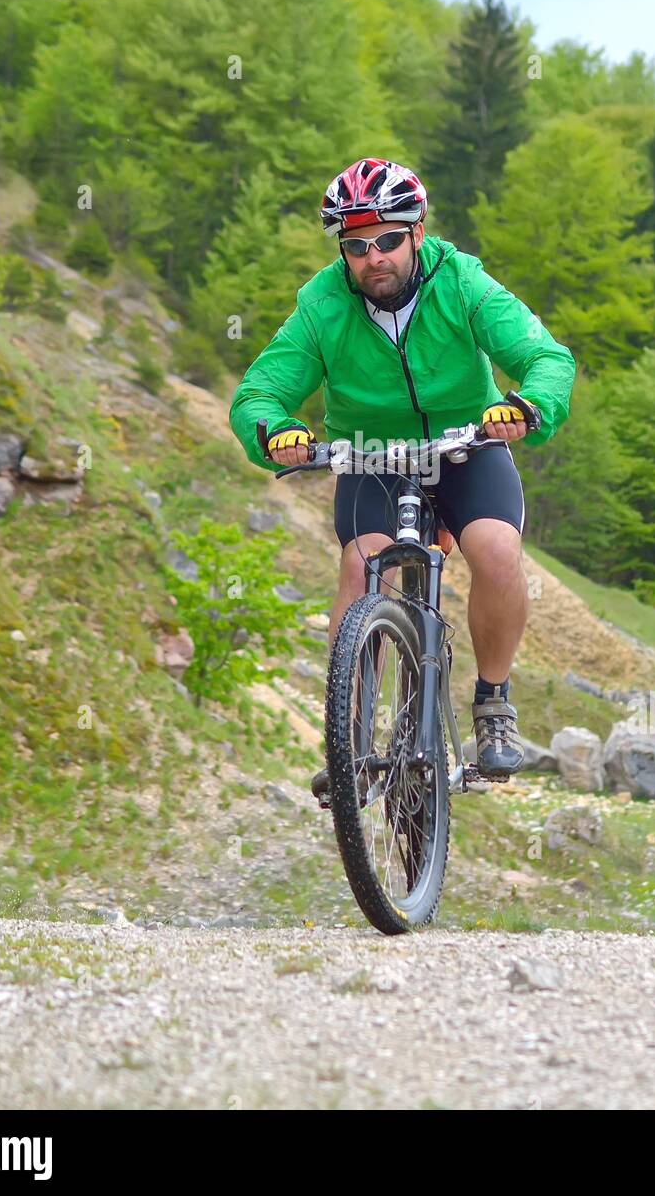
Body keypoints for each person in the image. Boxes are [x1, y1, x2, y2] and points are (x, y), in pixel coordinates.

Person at [230, 157, 576, 794]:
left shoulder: (461, 282)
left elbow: (545, 356)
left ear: (417, 232)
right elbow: (259, 393)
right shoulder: (322, 304)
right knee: (361, 565)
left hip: (467, 445)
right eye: (356, 246)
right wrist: (274, 433)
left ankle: (495, 704)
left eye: (387, 239)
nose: (373, 258)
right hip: (371, 456)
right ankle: (350, 736)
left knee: (497, 551)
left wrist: (527, 408)